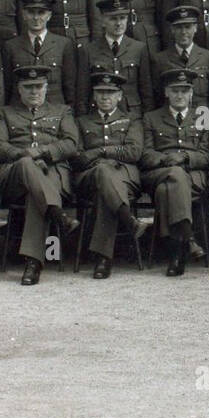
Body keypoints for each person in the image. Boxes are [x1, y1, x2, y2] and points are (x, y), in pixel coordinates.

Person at [0, 64, 81, 286]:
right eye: (28, 87)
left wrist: (43, 152)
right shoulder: (4, 113)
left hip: (52, 175)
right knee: (26, 164)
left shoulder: (62, 111)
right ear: (19, 89)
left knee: (37, 196)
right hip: (14, 179)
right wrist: (25, 154)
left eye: (38, 86)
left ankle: (33, 263)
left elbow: (71, 143)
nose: (34, 92)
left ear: (46, 88)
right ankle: (59, 216)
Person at [74, 69, 146, 279]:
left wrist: (101, 152)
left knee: (105, 192)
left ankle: (103, 259)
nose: (105, 97)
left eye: (110, 93)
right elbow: (78, 156)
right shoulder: (81, 122)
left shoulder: (132, 120)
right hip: (89, 177)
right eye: (100, 92)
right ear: (94, 96)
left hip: (125, 176)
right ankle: (128, 220)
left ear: (120, 96)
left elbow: (134, 152)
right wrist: (108, 156)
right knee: (104, 174)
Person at [140, 68, 209, 275]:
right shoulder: (151, 117)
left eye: (184, 91)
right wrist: (165, 160)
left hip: (193, 175)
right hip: (159, 171)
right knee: (174, 176)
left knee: (167, 190)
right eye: (175, 90)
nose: (180, 95)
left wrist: (186, 158)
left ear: (191, 94)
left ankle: (175, 252)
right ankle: (188, 239)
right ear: (166, 93)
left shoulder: (202, 114)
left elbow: (207, 154)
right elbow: (145, 154)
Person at [76, 0, 154, 116]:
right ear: (103, 21)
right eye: (113, 19)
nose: (118, 23)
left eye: (122, 18)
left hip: (132, 115)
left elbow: (146, 92)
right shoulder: (88, 50)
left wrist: (146, 120)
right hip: (99, 116)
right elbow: (82, 93)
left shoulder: (139, 48)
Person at [2, 0, 78, 108]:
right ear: (23, 15)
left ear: (49, 15)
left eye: (41, 13)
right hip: (20, 111)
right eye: (31, 12)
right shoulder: (11, 46)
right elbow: (7, 85)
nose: (36, 18)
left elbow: (70, 86)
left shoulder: (63, 44)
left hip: (55, 110)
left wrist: (69, 112)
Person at [151, 5, 209, 107]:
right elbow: (158, 96)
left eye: (188, 27)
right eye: (179, 28)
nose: (183, 32)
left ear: (195, 28)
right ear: (172, 30)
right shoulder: (160, 60)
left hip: (201, 116)